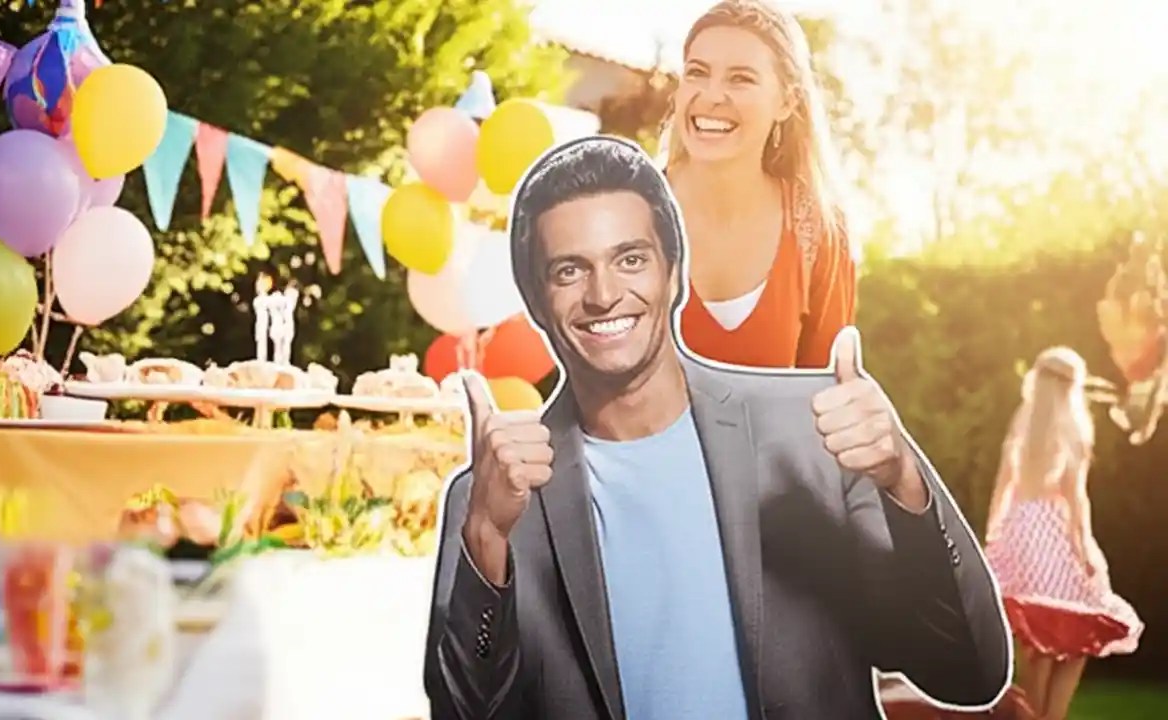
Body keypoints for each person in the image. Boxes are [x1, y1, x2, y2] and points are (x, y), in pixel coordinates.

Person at [424, 136, 1011, 719]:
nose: (604, 295)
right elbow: (464, 714)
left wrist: (903, 481)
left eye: (631, 259)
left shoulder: (816, 432)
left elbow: (968, 672)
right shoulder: (492, 502)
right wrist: (484, 540)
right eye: (570, 270)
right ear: (535, 298)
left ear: (675, 275)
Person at [662, 0, 855, 369]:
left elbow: (826, 395)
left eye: (741, 78)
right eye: (697, 73)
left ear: (787, 102)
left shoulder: (820, 231)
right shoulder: (625, 211)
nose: (712, 95)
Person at [984, 347, 1144, 720]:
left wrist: (993, 536)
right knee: (1079, 631)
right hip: (1054, 535)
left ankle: (1033, 713)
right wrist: (1086, 550)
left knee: (1035, 641)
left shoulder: (1022, 429)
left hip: (1019, 531)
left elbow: (1002, 487)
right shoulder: (1071, 433)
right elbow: (1076, 501)